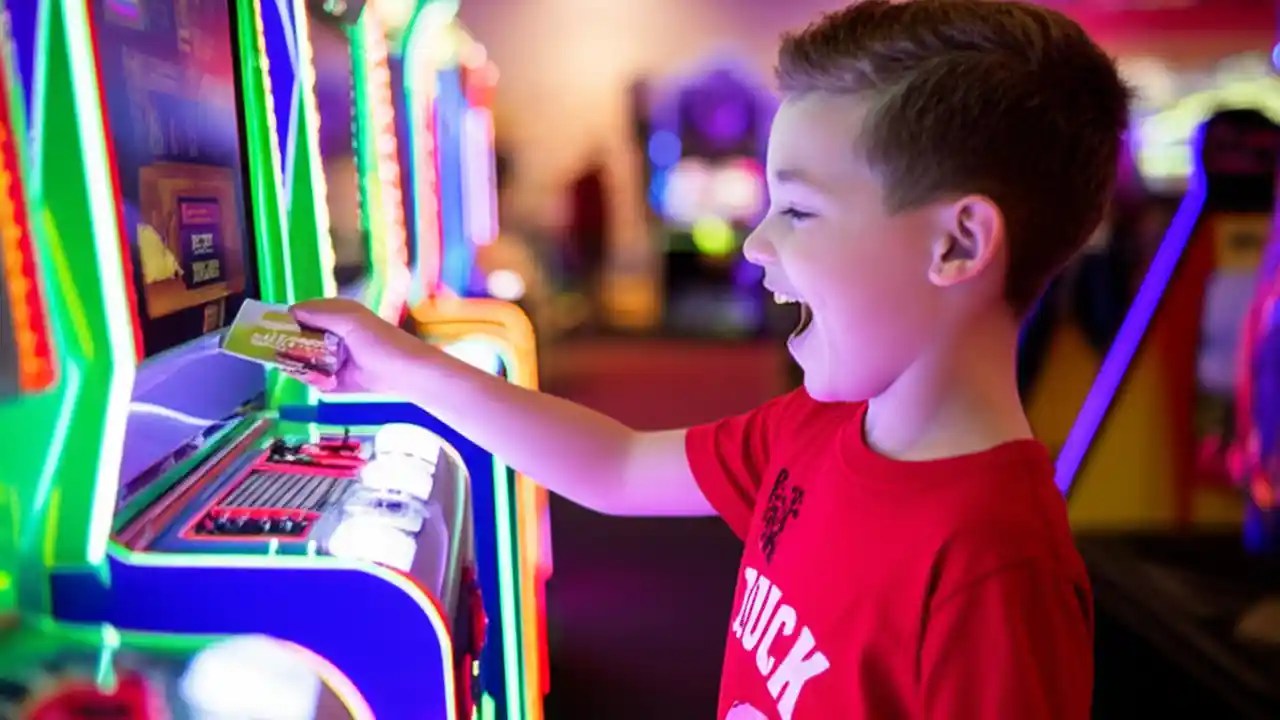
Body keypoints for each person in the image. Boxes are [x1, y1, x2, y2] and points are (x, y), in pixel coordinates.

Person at [288, 1, 1129, 717]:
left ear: (958, 243)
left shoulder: (995, 569)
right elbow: (614, 466)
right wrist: (400, 368)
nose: (755, 244)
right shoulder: (815, 429)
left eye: (798, 210)